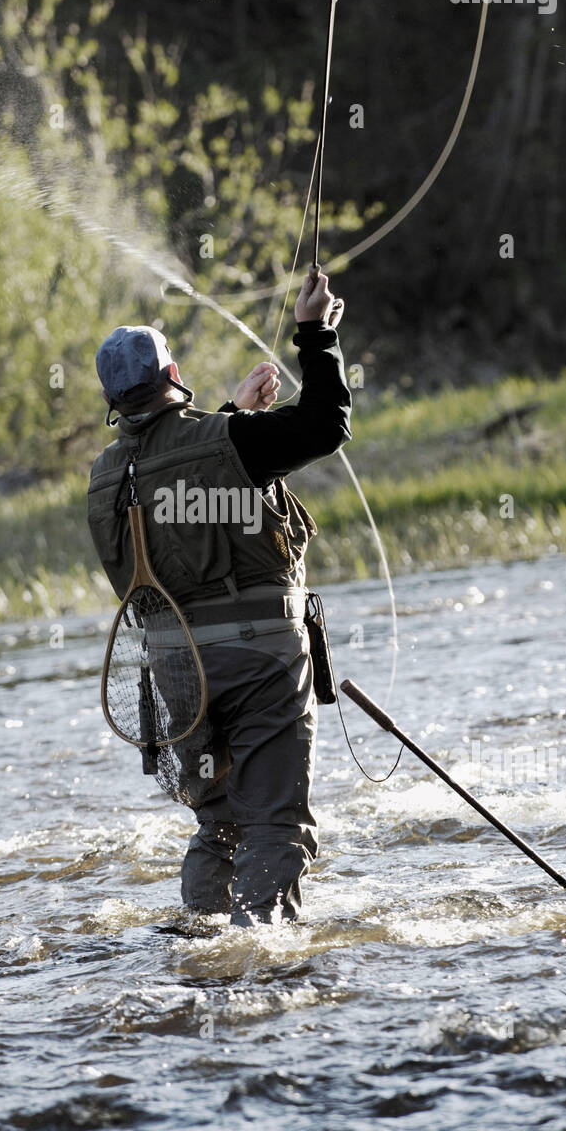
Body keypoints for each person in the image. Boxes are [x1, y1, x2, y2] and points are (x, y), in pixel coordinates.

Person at [87, 271, 351, 926]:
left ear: (114, 400)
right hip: (259, 663)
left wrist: (239, 419)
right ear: (173, 373)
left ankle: (202, 945)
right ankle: (259, 949)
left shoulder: (101, 478)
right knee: (275, 822)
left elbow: (186, 492)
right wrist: (316, 334)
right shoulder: (230, 443)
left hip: (178, 676)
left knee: (221, 822)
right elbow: (325, 424)